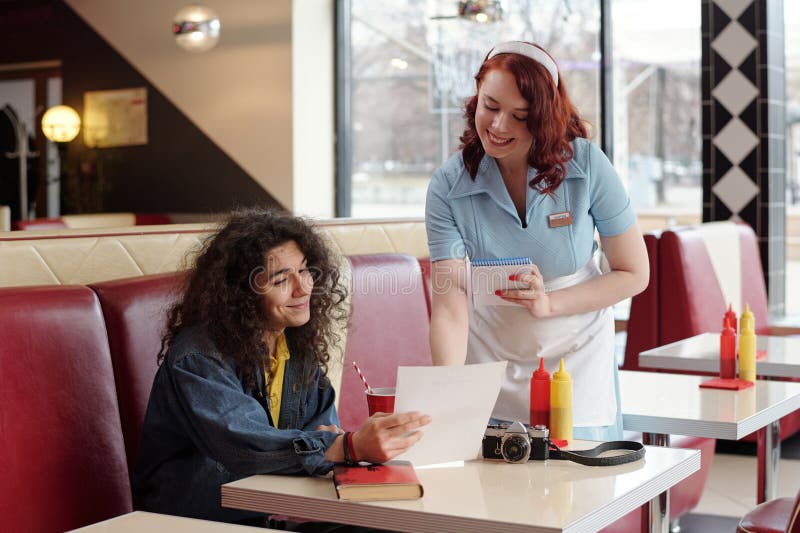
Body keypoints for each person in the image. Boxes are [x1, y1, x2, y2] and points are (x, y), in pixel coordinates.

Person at [134, 209, 430, 529]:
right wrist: (347, 446)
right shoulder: (198, 359)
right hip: (195, 522)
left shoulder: (294, 345)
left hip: (263, 516)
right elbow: (245, 450)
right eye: (281, 279)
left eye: (305, 271)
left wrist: (337, 448)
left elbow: (321, 438)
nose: (303, 288)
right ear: (240, 294)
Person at [426, 41, 649, 441]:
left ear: (543, 118)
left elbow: (634, 273)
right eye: (490, 106)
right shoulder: (449, 185)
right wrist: (448, 393)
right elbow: (449, 306)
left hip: (576, 359)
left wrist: (550, 304)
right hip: (491, 354)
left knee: (577, 493)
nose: (498, 126)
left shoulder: (586, 166)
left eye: (520, 116)